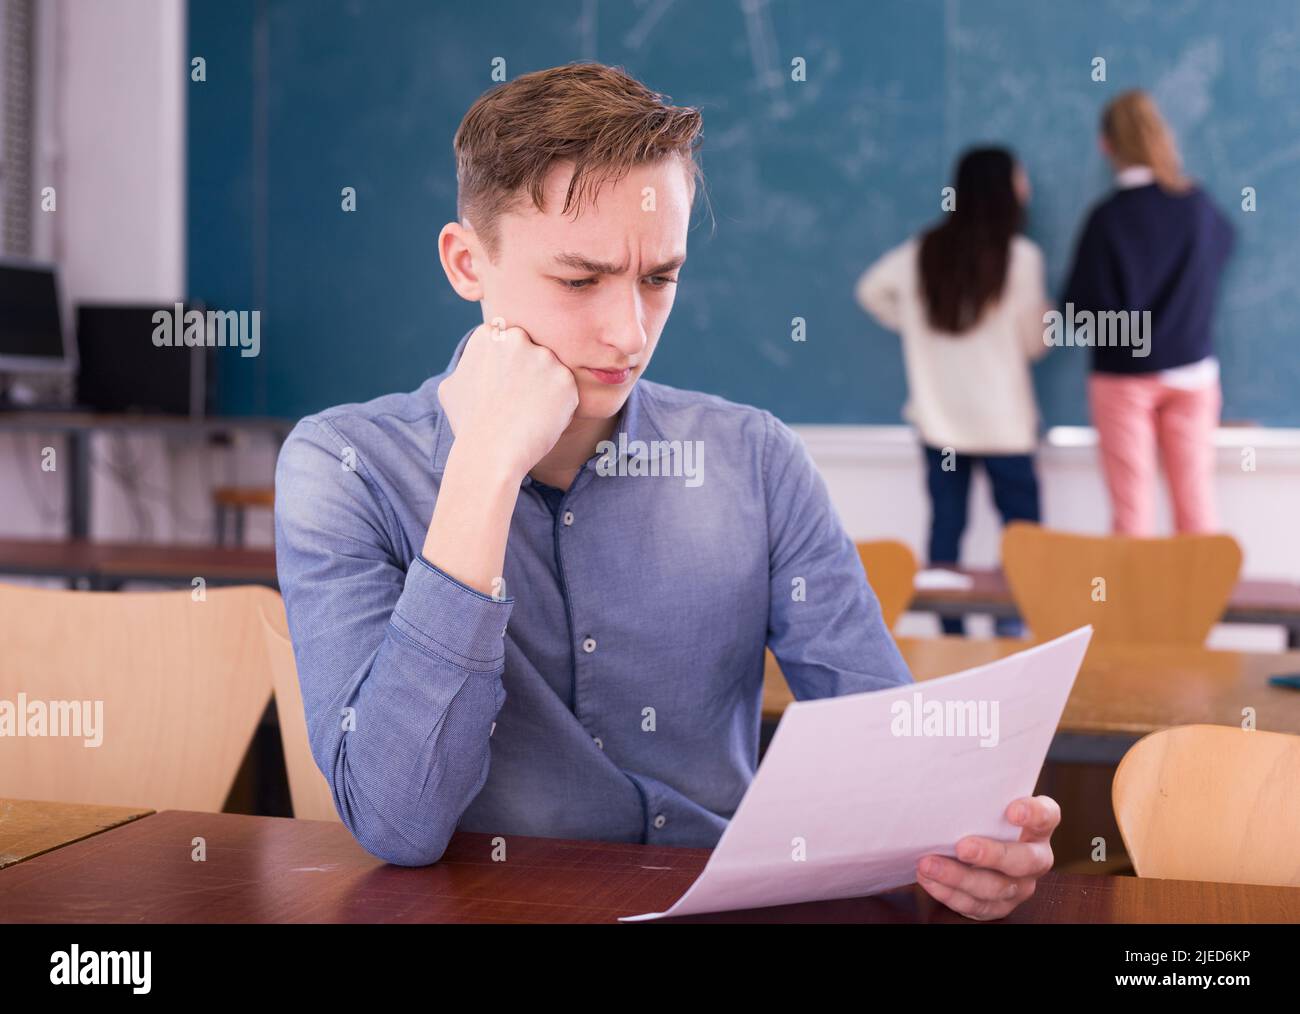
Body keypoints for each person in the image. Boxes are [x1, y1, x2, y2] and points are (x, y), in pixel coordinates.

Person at [274, 63, 1060, 920]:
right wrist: (486, 468)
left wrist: (970, 839)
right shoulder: (342, 467)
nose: (628, 332)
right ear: (468, 263)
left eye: (659, 278)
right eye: (580, 281)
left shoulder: (755, 460)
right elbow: (400, 821)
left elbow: (890, 754)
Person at [856, 147, 1051, 636]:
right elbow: (1034, 344)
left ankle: (953, 642)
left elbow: (870, 289)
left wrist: (914, 326)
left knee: (946, 535)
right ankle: (1011, 641)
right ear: (1005, 189)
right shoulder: (1022, 257)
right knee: (1026, 543)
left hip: (940, 423)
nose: (1027, 188)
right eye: (1020, 178)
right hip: (1005, 427)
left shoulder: (924, 250)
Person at [1063, 89, 1235, 535]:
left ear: (1106, 145)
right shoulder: (1197, 208)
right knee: (1196, 507)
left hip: (1124, 376)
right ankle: (1203, 606)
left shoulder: (1106, 220)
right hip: (1192, 371)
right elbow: (1223, 248)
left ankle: (1132, 607)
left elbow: (1078, 310)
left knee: (1131, 513)